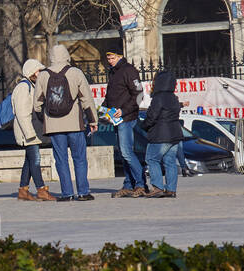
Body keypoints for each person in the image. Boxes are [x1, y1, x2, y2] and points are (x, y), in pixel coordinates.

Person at [39, 45, 99, 201]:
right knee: (79, 158)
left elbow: (37, 104)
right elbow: (86, 99)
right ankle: (83, 192)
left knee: (61, 160)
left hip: (54, 126)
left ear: (51, 57)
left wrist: (45, 119)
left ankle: (67, 194)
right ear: (67, 56)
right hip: (74, 124)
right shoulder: (75, 72)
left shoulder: (43, 75)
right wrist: (93, 120)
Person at [104, 49, 145, 197]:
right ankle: (128, 184)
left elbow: (139, 94)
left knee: (127, 152)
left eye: (113, 58)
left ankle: (141, 184)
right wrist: (103, 112)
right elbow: (110, 96)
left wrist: (124, 111)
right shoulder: (113, 72)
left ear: (120, 56)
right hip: (116, 118)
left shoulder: (129, 70)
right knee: (123, 153)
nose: (110, 61)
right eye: (108, 58)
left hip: (126, 118)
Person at [10, 58, 52, 201]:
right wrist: (30, 134)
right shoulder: (23, 87)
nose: (40, 73)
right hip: (27, 132)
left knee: (29, 161)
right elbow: (22, 113)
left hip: (31, 131)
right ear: (31, 72)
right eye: (38, 71)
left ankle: (23, 190)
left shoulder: (31, 85)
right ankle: (41, 189)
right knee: (35, 160)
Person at [141, 70, 185, 198]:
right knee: (170, 162)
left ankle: (157, 187)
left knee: (152, 159)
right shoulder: (174, 98)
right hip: (175, 134)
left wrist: (143, 126)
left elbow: (152, 116)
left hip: (160, 135)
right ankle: (171, 189)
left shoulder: (158, 98)